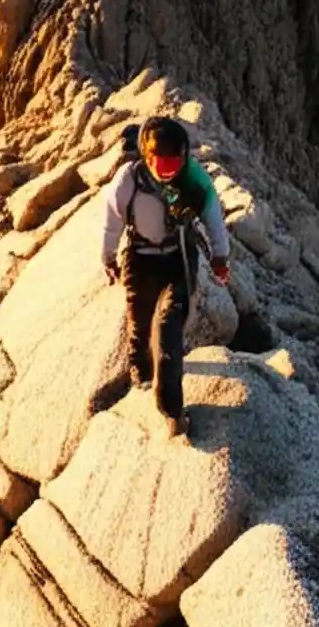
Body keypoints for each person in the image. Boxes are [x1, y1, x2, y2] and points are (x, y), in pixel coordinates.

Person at [100, 116, 231, 438]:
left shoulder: (194, 179)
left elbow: (213, 218)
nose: (170, 168)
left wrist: (220, 257)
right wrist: (107, 257)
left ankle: (171, 409)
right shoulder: (126, 182)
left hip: (178, 258)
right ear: (147, 156)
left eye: (176, 160)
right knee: (140, 321)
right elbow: (112, 224)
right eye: (163, 161)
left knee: (168, 328)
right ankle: (141, 372)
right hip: (141, 259)